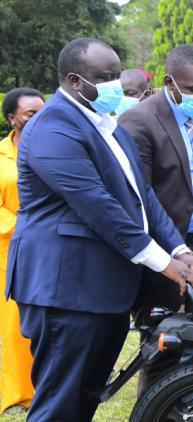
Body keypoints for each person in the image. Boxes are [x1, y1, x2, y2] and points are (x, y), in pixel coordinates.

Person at [6, 37, 193, 422]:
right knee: (59, 404)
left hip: (105, 290)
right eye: (106, 77)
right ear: (76, 80)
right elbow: (95, 204)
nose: (115, 85)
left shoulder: (107, 125)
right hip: (65, 290)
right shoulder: (52, 128)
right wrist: (162, 262)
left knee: (85, 398)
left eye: (117, 74)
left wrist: (180, 250)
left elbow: (142, 196)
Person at [118, 44, 193, 400]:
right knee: (163, 346)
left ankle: (181, 407)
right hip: (165, 254)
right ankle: (156, 411)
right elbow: (141, 197)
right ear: (170, 83)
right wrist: (175, 251)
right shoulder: (139, 121)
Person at [0, 87, 44, 416]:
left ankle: (42, 385)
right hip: (8, 250)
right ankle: (16, 394)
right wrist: (24, 222)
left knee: (45, 321)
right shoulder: (0, 157)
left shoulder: (53, 147)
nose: (38, 118)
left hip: (47, 248)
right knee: (14, 324)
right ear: (13, 118)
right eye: (30, 114)